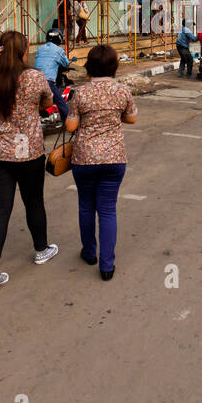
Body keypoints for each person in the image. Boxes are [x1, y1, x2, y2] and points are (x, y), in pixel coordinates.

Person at [0, 30, 58, 292]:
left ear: (0, 50)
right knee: (33, 201)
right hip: (28, 152)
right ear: (24, 52)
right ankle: (41, 249)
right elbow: (48, 103)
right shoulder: (34, 77)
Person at [65, 44, 137, 280]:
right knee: (107, 210)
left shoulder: (81, 93)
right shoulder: (123, 91)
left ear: (90, 66)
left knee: (86, 206)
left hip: (84, 158)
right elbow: (132, 118)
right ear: (114, 66)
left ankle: (89, 252)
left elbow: (71, 126)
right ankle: (107, 265)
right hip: (114, 158)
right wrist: (114, 117)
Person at [34, 29, 71, 121]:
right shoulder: (59, 50)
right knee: (61, 103)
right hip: (47, 81)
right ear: (59, 38)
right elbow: (66, 64)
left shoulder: (40, 48)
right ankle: (68, 123)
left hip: (34, 80)